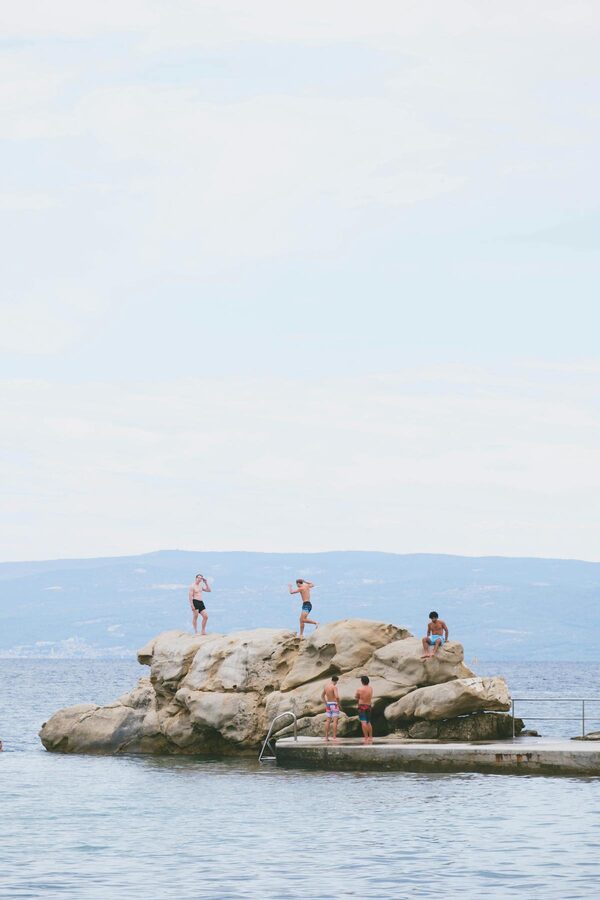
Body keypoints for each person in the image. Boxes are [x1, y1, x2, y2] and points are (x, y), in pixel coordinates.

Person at [321, 675, 341, 742]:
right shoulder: (334, 687)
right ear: (336, 681)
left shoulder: (326, 687)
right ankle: (334, 737)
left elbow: (322, 696)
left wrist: (326, 703)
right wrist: (338, 704)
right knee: (335, 721)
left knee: (328, 721)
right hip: (334, 704)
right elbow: (337, 696)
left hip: (328, 705)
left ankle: (326, 737)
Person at [355, 675, 373, 744]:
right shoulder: (370, 688)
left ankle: (366, 738)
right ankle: (370, 737)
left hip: (361, 706)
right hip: (368, 706)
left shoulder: (359, 689)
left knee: (363, 722)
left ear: (362, 681)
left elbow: (356, 697)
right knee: (368, 722)